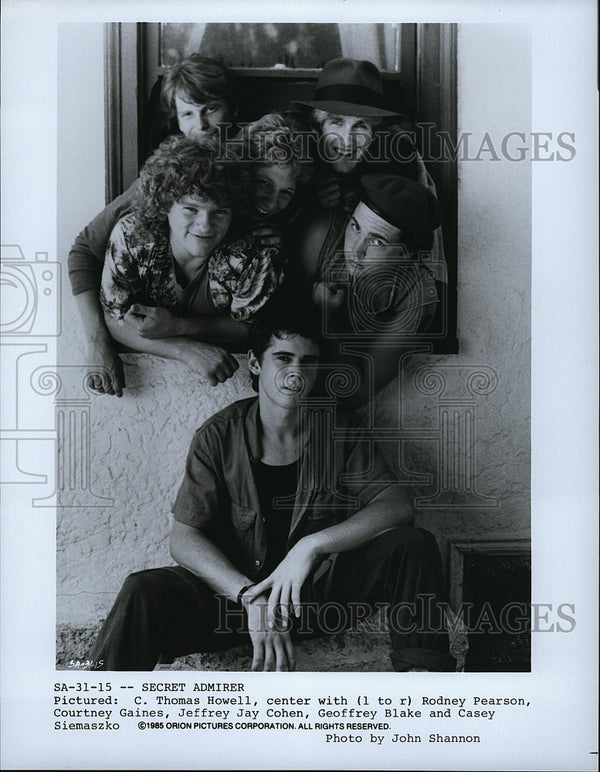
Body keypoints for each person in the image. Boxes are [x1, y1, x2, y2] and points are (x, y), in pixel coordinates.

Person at [87, 303, 456, 672]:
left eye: (308, 362)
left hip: (316, 602)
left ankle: (424, 686)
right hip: (235, 607)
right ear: (255, 363)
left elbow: (396, 505)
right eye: (283, 358)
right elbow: (184, 538)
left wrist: (312, 546)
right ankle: (101, 711)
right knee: (143, 590)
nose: (295, 372)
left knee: (413, 545)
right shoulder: (220, 435)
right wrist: (248, 596)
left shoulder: (339, 429)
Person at [68, 55, 239, 397]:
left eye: (211, 109)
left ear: (232, 111)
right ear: (175, 121)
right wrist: (98, 341)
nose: (201, 124)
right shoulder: (165, 180)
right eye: (188, 113)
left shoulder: (253, 174)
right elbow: (84, 252)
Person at [100, 135, 284, 386]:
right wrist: (184, 350)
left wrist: (179, 326)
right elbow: (115, 318)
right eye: (191, 209)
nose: (205, 226)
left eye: (219, 212)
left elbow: (253, 328)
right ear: (165, 204)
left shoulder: (252, 253)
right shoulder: (132, 238)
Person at [290, 173, 442, 407]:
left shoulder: (417, 295)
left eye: (377, 242)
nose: (355, 250)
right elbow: (276, 337)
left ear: (406, 254)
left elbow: (356, 393)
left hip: (336, 413)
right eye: (355, 226)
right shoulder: (324, 234)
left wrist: (324, 318)